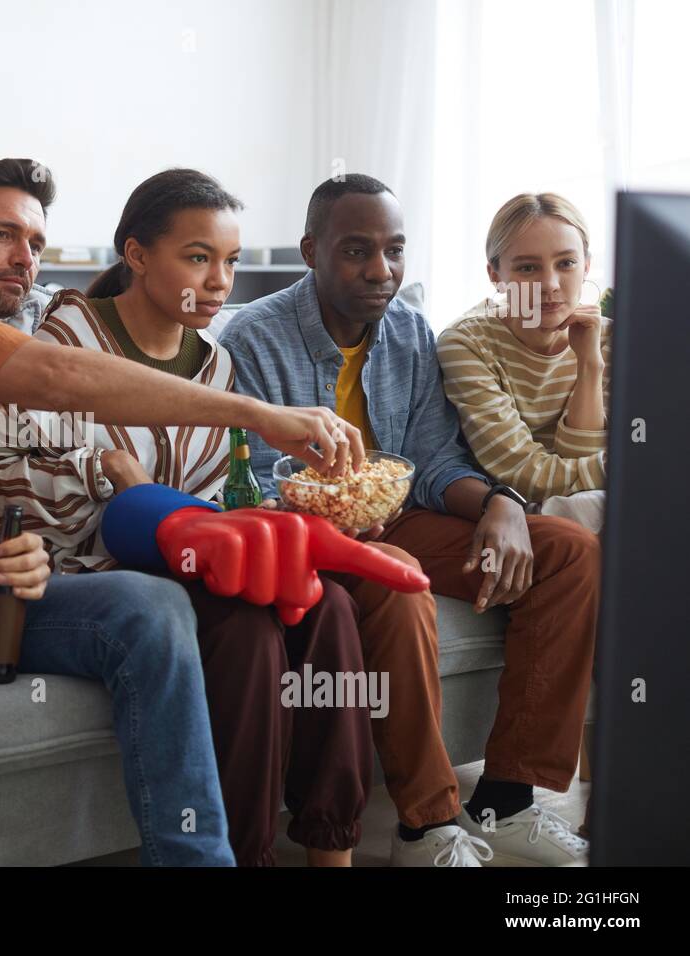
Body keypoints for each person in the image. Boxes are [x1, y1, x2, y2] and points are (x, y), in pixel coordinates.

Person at [0, 158, 385, 866]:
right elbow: (62, 380)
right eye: (3, 235)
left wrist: (11, 550)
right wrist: (258, 414)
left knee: (151, 608)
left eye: (35, 243)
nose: (24, 259)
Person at [0, 169, 373, 866]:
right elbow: (20, 497)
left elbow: (219, 490)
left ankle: (330, 849)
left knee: (330, 604)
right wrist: (121, 488)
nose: (220, 281)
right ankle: (242, 855)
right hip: (98, 573)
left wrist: (233, 510)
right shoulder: (60, 341)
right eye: (197, 257)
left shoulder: (216, 364)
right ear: (135, 255)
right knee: (248, 633)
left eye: (231, 262)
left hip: (199, 560)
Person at [219, 174, 598, 866]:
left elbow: (430, 460)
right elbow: (247, 476)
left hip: (398, 518)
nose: (381, 270)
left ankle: (507, 799)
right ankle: (425, 826)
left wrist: (498, 504)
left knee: (570, 551)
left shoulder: (408, 332)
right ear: (312, 250)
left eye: (395, 250)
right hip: (304, 535)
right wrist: (329, 509)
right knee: (398, 586)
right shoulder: (253, 337)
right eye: (357, 251)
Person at [438, 193, 611, 533]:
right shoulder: (467, 343)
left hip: (585, 505)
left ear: (587, 265)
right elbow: (524, 474)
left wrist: (590, 365)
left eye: (566, 263)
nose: (550, 285)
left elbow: (581, 467)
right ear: (495, 275)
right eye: (528, 268)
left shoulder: (609, 339)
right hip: (513, 510)